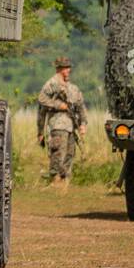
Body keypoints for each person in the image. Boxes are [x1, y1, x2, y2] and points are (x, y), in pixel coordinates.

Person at [37, 56, 86, 189]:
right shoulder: (52, 83)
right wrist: (58, 105)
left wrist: (83, 124)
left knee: (70, 153)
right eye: (65, 68)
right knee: (58, 152)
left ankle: (65, 181)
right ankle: (55, 180)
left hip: (71, 125)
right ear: (59, 69)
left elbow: (81, 106)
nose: (68, 70)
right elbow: (41, 99)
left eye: (69, 67)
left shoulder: (73, 88)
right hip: (57, 123)